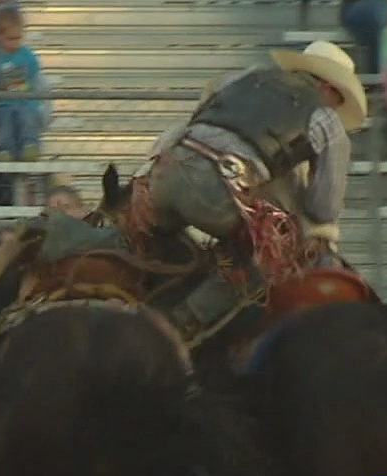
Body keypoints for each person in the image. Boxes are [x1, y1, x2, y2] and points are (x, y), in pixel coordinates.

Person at [134, 40, 367, 347]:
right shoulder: (325, 118)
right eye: (337, 99)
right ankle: (179, 327)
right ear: (328, 87)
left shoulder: (241, 79)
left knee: (150, 239)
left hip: (166, 174)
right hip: (216, 192)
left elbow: (199, 117)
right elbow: (323, 208)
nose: (335, 107)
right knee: (272, 255)